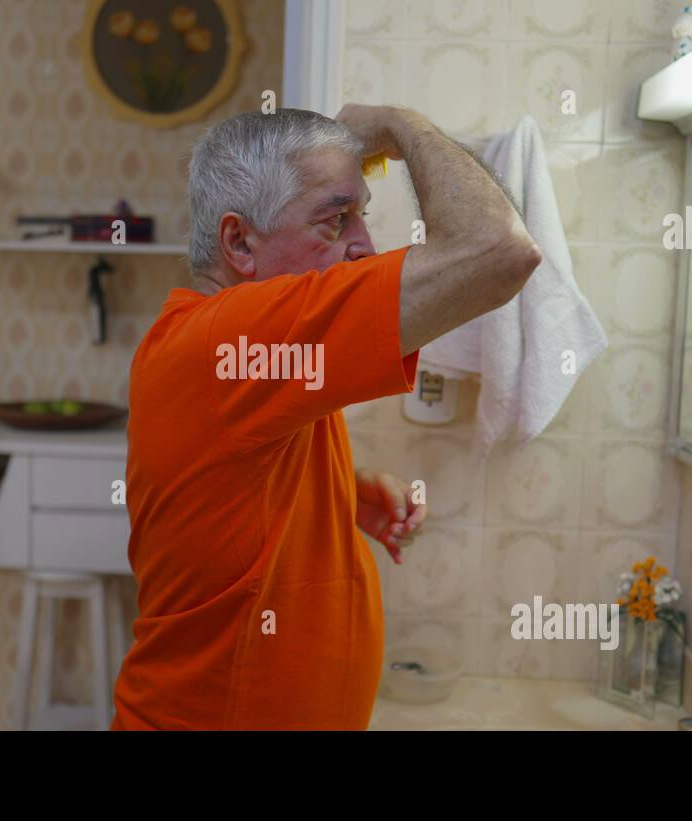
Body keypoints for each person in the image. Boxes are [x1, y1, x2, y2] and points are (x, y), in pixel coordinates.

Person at [111, 105, 542, 730]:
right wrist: (398, 126)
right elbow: (499, 249)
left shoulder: (245, 354)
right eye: (336, 219)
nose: (364, 244)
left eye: (360, 214)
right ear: (238, 243)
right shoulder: (229, 342)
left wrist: (337, 496)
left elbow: (231, 476)